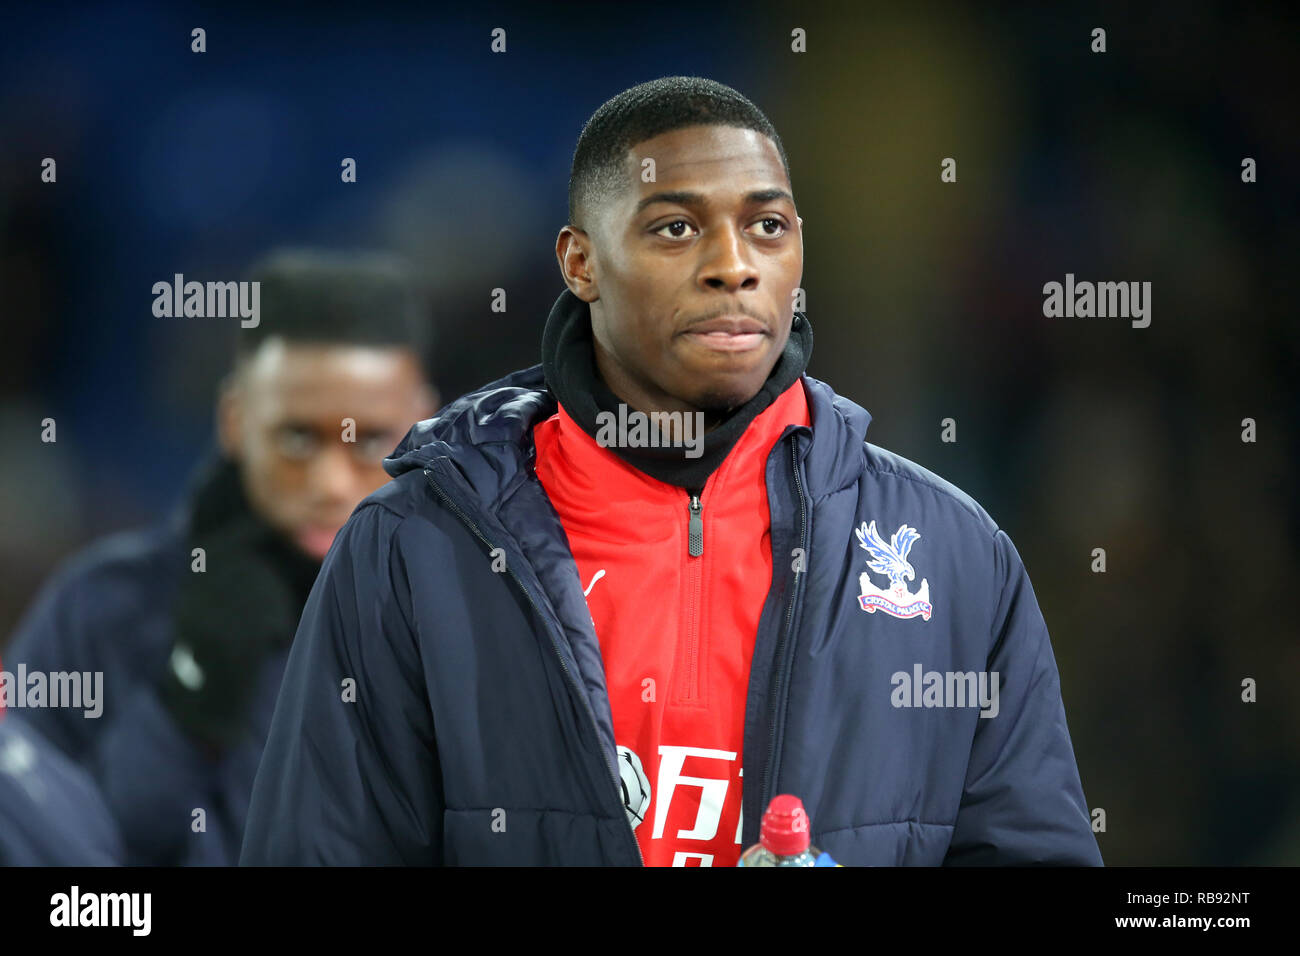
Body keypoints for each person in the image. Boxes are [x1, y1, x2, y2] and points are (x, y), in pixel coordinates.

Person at [241, 77, 1103, 866]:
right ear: (580, 263)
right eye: (676, 227)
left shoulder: (954, 554)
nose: (735, 264)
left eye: (768, 224)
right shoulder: (413, 550)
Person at [5, 250, 438, 865]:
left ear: (422, 420)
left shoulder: (478, 611)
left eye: (367, 439)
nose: (330, 485)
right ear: (235, 421)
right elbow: (44, 853)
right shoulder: (102, 606)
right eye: (296, 438)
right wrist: (191, 698)